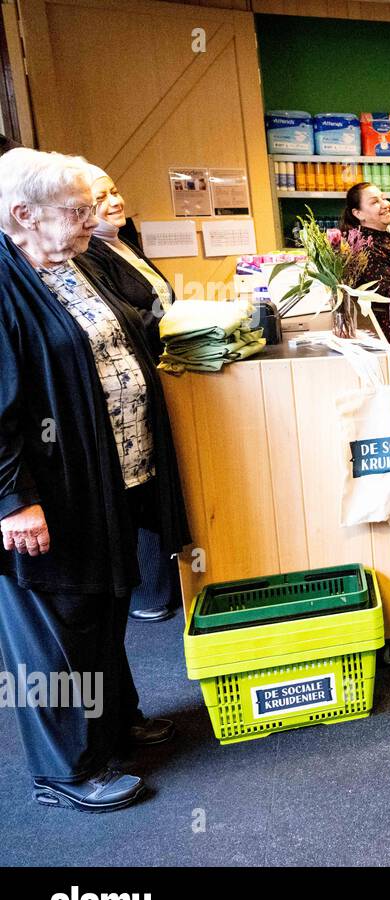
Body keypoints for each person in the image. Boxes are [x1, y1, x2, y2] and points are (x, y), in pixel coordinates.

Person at [0, 148, 190, 811]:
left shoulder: (73, 260)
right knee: (53, 633)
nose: (91, 220)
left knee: (102, 612)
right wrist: (11, 499)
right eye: (77, 211)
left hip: (105, 477)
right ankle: (66, 770)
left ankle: (112, 727)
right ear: (24, 215)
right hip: (40, 498)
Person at [77, 165, 180, 624]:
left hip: (159, 370)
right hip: (128, 390)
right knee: (141, 491)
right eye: (101, 199)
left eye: (114, 191)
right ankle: (152, 594)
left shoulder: (124, 243)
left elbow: (158, 300)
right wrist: (176, 319)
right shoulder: (88, 257)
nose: (114, 202)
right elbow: (131, 317)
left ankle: (166, 583)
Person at [341, 181, 390, 341]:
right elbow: (389, 292)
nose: (385, 204)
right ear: (358, 214)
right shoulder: (366, 246)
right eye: (375, 202)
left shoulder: (381, 237)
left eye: (383, 198)